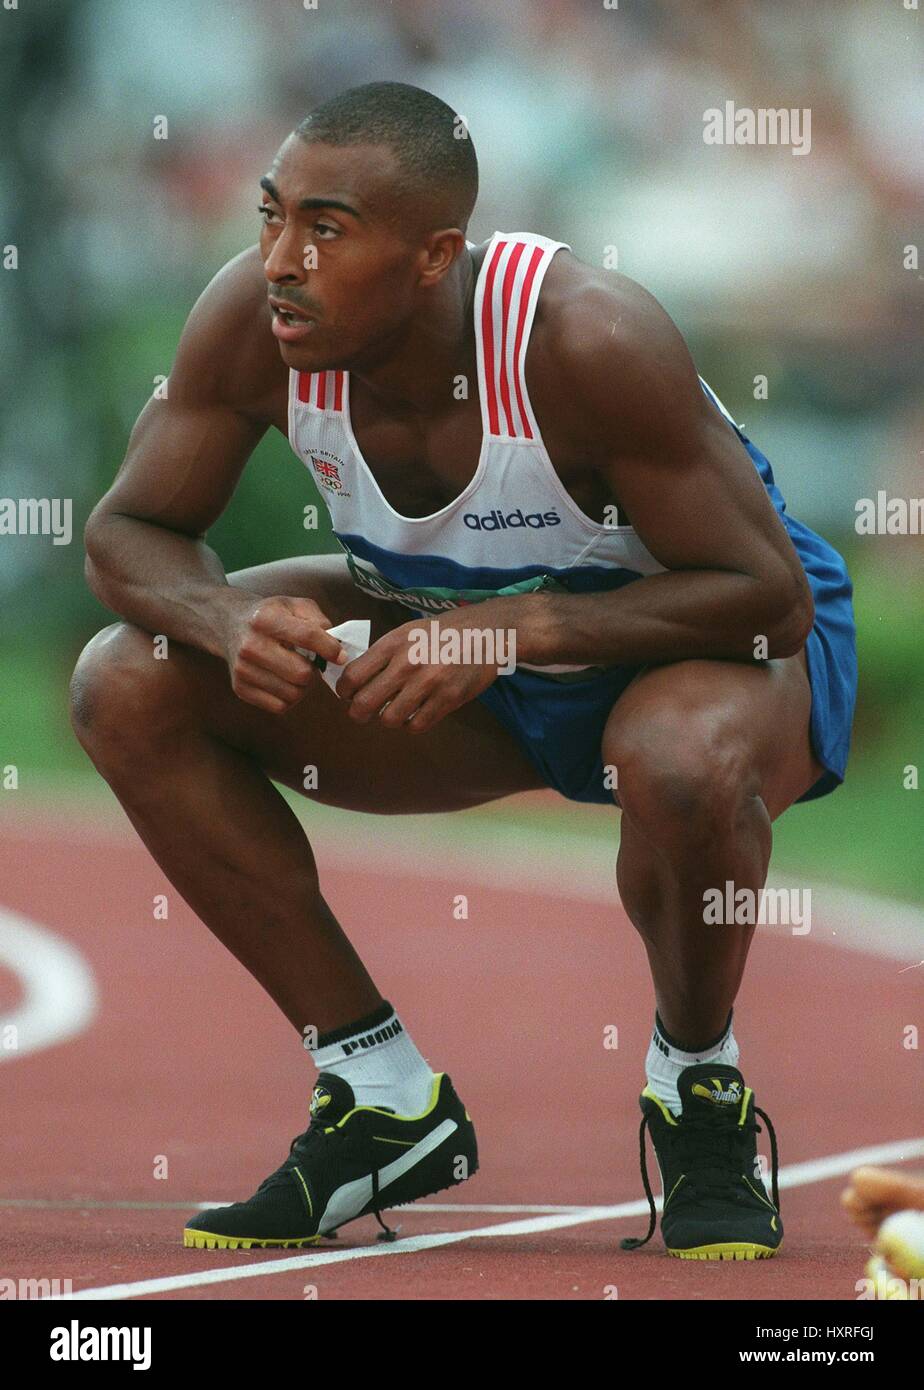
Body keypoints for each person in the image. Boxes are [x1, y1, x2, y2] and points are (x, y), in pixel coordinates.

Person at [70, 81, 857, 1258]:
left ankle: (698, 1085)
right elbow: (126, 533)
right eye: (271, 215)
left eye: (325, 229)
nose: (282, 259)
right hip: (446, 640)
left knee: (678, 759)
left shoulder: (582, 336)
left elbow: (765, 597)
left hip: (696, 645)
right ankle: (379, 1094)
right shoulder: (253, 320)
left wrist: (514, 632)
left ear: (435, 255)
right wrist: (227, 626)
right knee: (124, 676)